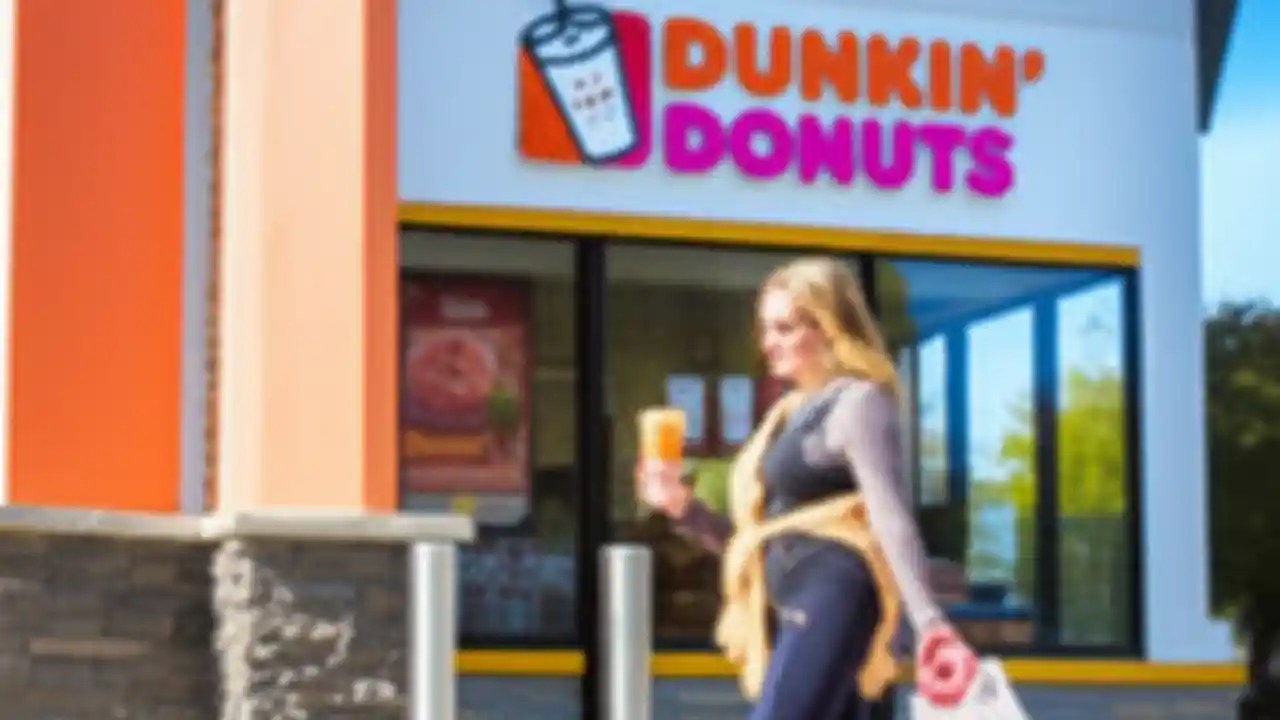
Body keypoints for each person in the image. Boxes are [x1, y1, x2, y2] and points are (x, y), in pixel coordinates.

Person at [635, 256, 979, 719]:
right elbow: (760, 539)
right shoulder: (787, 414)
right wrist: (683, 508)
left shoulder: (858, 403)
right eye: (765, 329)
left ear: (829, 327)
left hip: (835, 594)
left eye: (784, 328)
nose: (767, 343)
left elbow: (890, 517)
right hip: (794, 601)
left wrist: (930, 624)